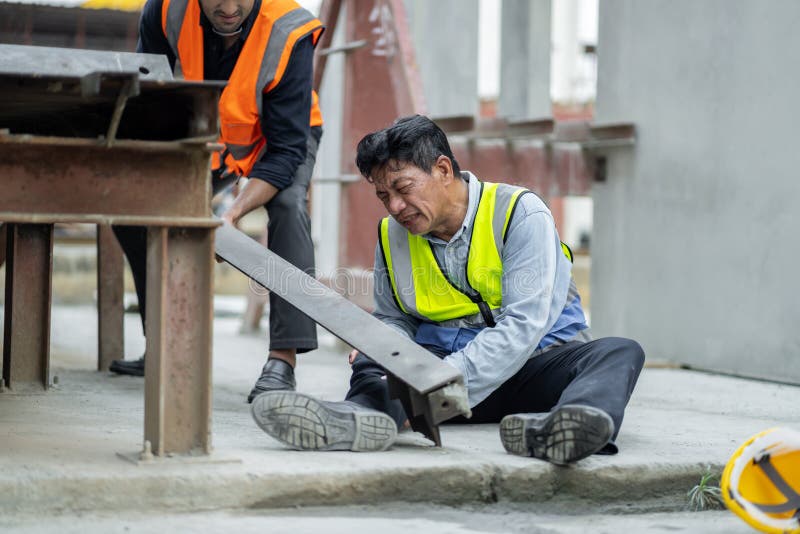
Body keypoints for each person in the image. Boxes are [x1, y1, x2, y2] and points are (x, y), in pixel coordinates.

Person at [251, 115, 645, 464]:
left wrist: (442, 382)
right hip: (438, 387)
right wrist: (383, 342)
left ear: (442, 169)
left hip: (529, 369)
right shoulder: (392, 235)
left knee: (616, 353)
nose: (395, 207)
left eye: (403, 188)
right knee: (375, 351)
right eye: (384, 196)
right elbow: (395, 317)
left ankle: (568, 426)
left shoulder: (519, 213)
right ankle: (361, 418)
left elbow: (524, 325)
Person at [110, 0, 323, 404]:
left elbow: (286, 152)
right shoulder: (165, 10)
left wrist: (232, 212)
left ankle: (283, 361)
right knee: (132, 211)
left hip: (283, 136)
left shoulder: (290, 29)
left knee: (289, 205)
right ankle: (165, 343)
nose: (228, 8)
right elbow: (146, 96)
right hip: (212, 133)